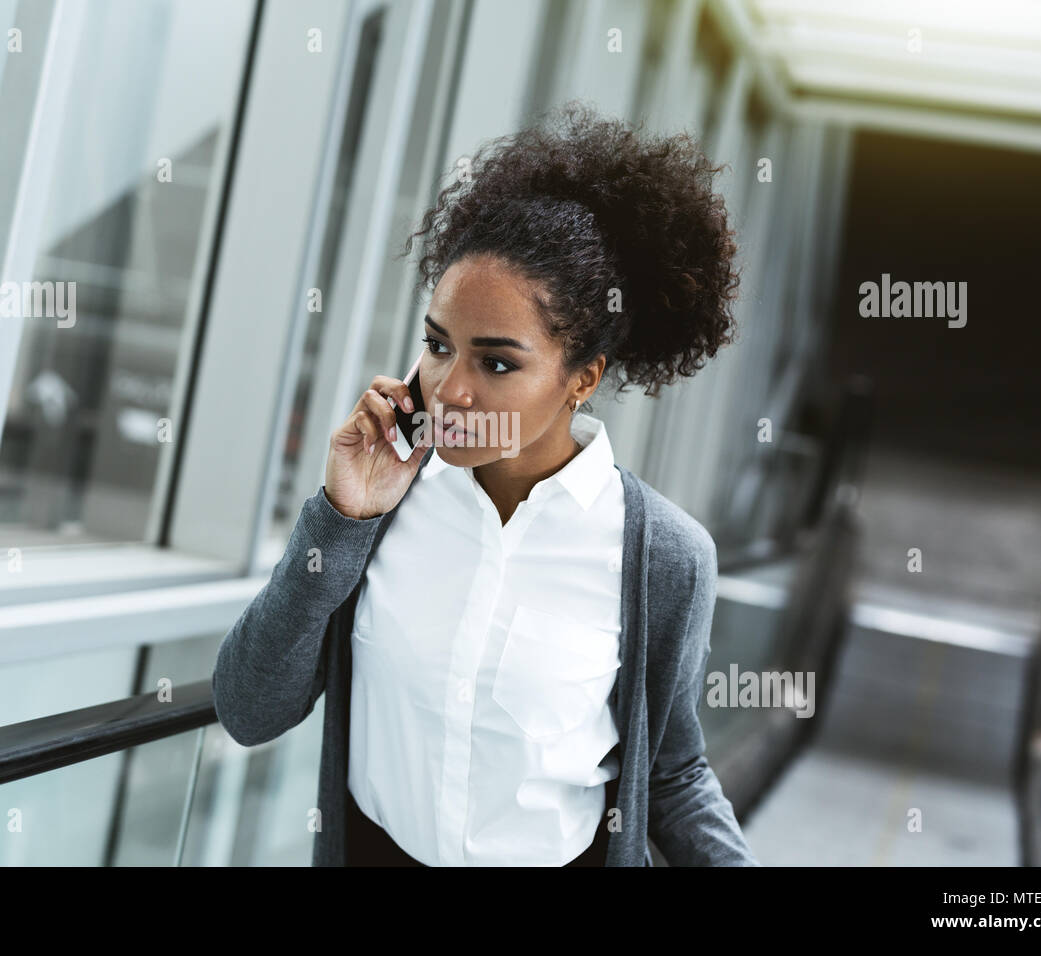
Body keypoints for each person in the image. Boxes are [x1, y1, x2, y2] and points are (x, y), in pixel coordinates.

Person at [213, 101, 758, 866]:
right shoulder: (383, 508)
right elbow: (247, 708)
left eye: (496, 362)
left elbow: (672, 773)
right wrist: (341, 515)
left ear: (582, 377)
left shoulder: (662, 556)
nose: (450, 391)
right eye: (438, 346)